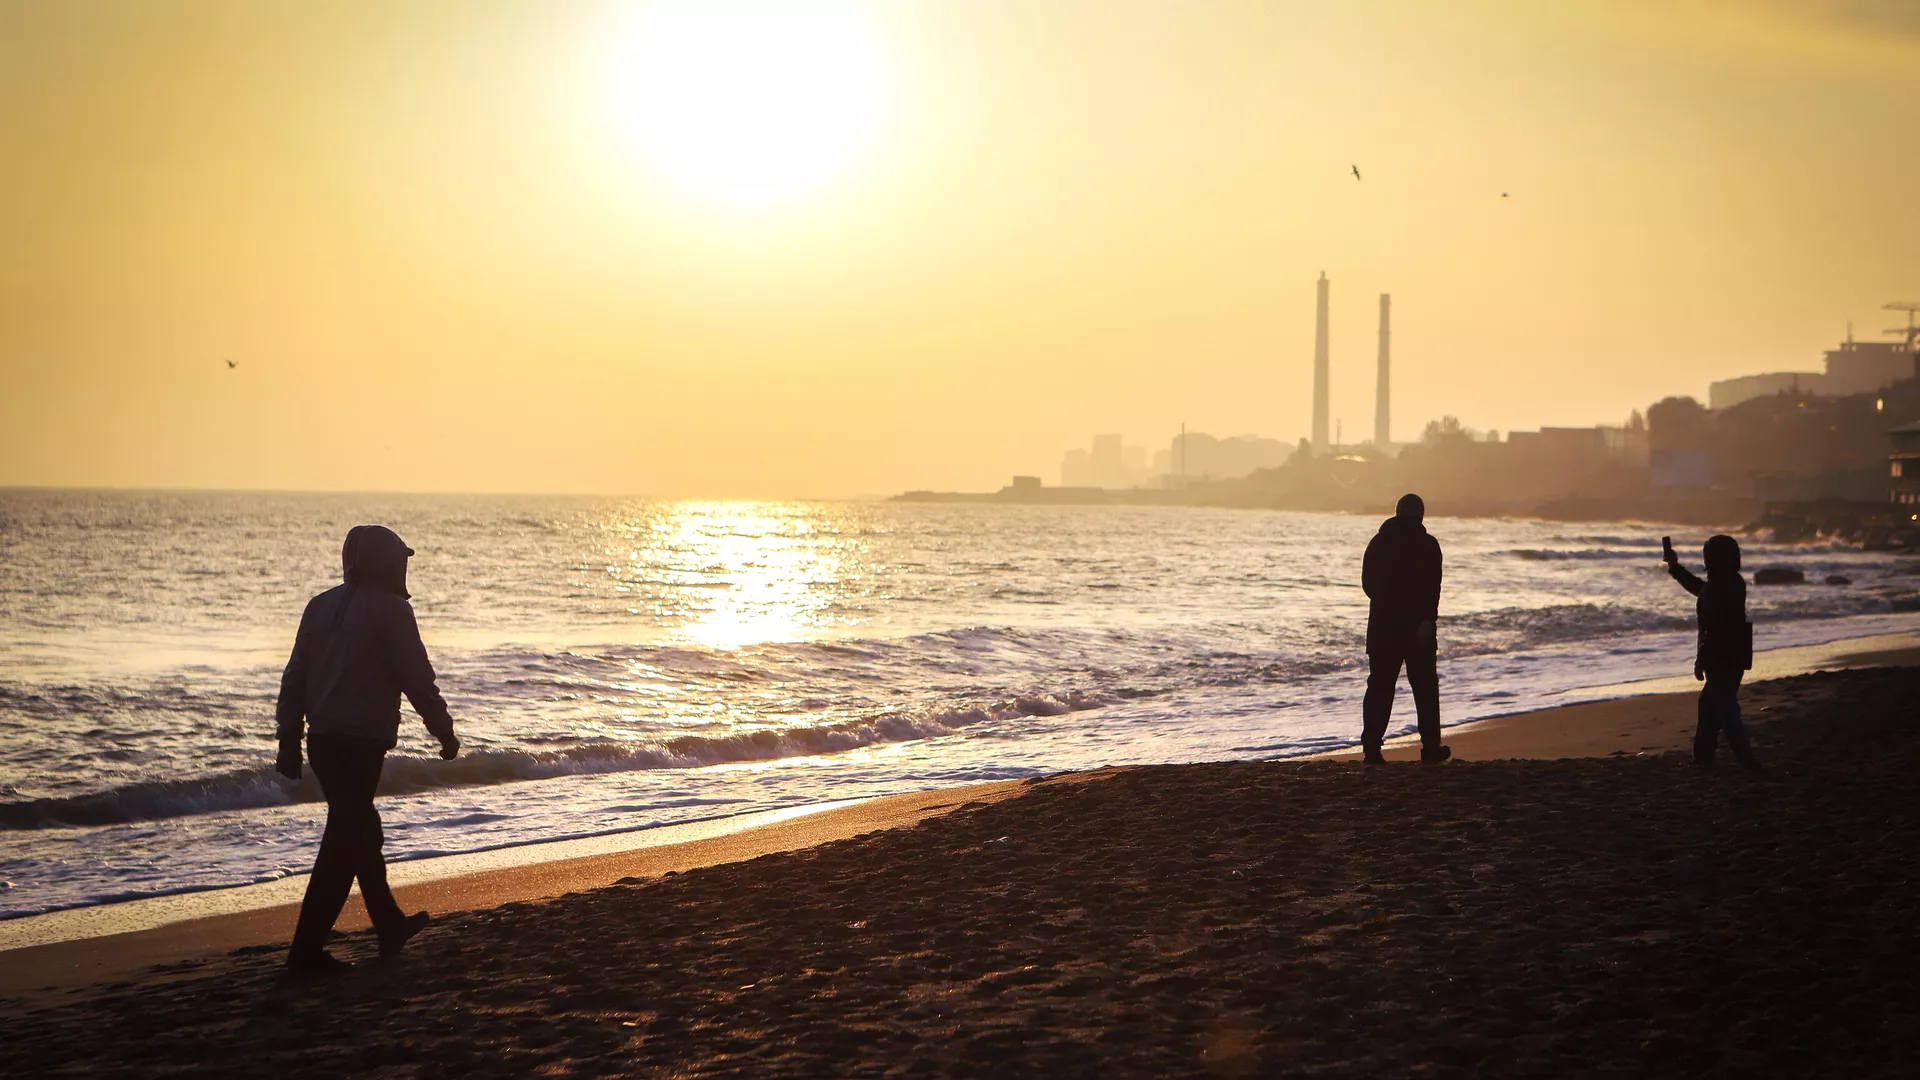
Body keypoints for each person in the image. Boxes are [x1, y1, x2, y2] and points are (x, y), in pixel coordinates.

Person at [276, 524, 461, 972]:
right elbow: (416, 677)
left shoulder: (318, 606)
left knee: (358, 833)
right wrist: (444, 729)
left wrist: (289, 739)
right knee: (346, 841)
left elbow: (295, 677)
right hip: (360, 745)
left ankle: (387, 923)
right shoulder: (393, 611)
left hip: (323, 743)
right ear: (387, 563)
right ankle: (305, 953)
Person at [1360, 493, 1449, 764]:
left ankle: (1372, 749)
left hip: (1382, 627)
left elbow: (1368, 586)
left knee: (1379, 687)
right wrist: (1426, 620)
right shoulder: (1428, 545)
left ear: (1397, 513)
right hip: (1418, 629)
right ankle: (1431, 748)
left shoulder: (1378, 543)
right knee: (1425, 689)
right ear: (1421, 515)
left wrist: (1388, 603)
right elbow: (1434, 589)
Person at [1662, 533, 1759, 770]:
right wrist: (1675, 567)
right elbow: (1701, 589)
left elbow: (1715, 629)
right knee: (1709, 707)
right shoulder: (1733, 582)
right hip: (1735, 655)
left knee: (1726, 712)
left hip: (1720, 657)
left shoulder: (1719, 587)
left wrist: (1700, 660)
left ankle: (1749, 763)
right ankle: (1704, 759)